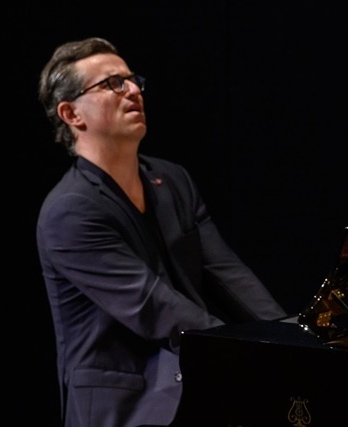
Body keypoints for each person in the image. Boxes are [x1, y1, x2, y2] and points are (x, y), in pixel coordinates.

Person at [36, 37, 288, 427]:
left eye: (132, 79)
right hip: (124, 407)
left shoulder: (172, 180)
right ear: (72, 114)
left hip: (191, 383)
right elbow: (153, 306)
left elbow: (229, 275)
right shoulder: (69, 211)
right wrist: (246, 354)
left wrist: (290, 339)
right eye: (112, 83)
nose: (133, 90)